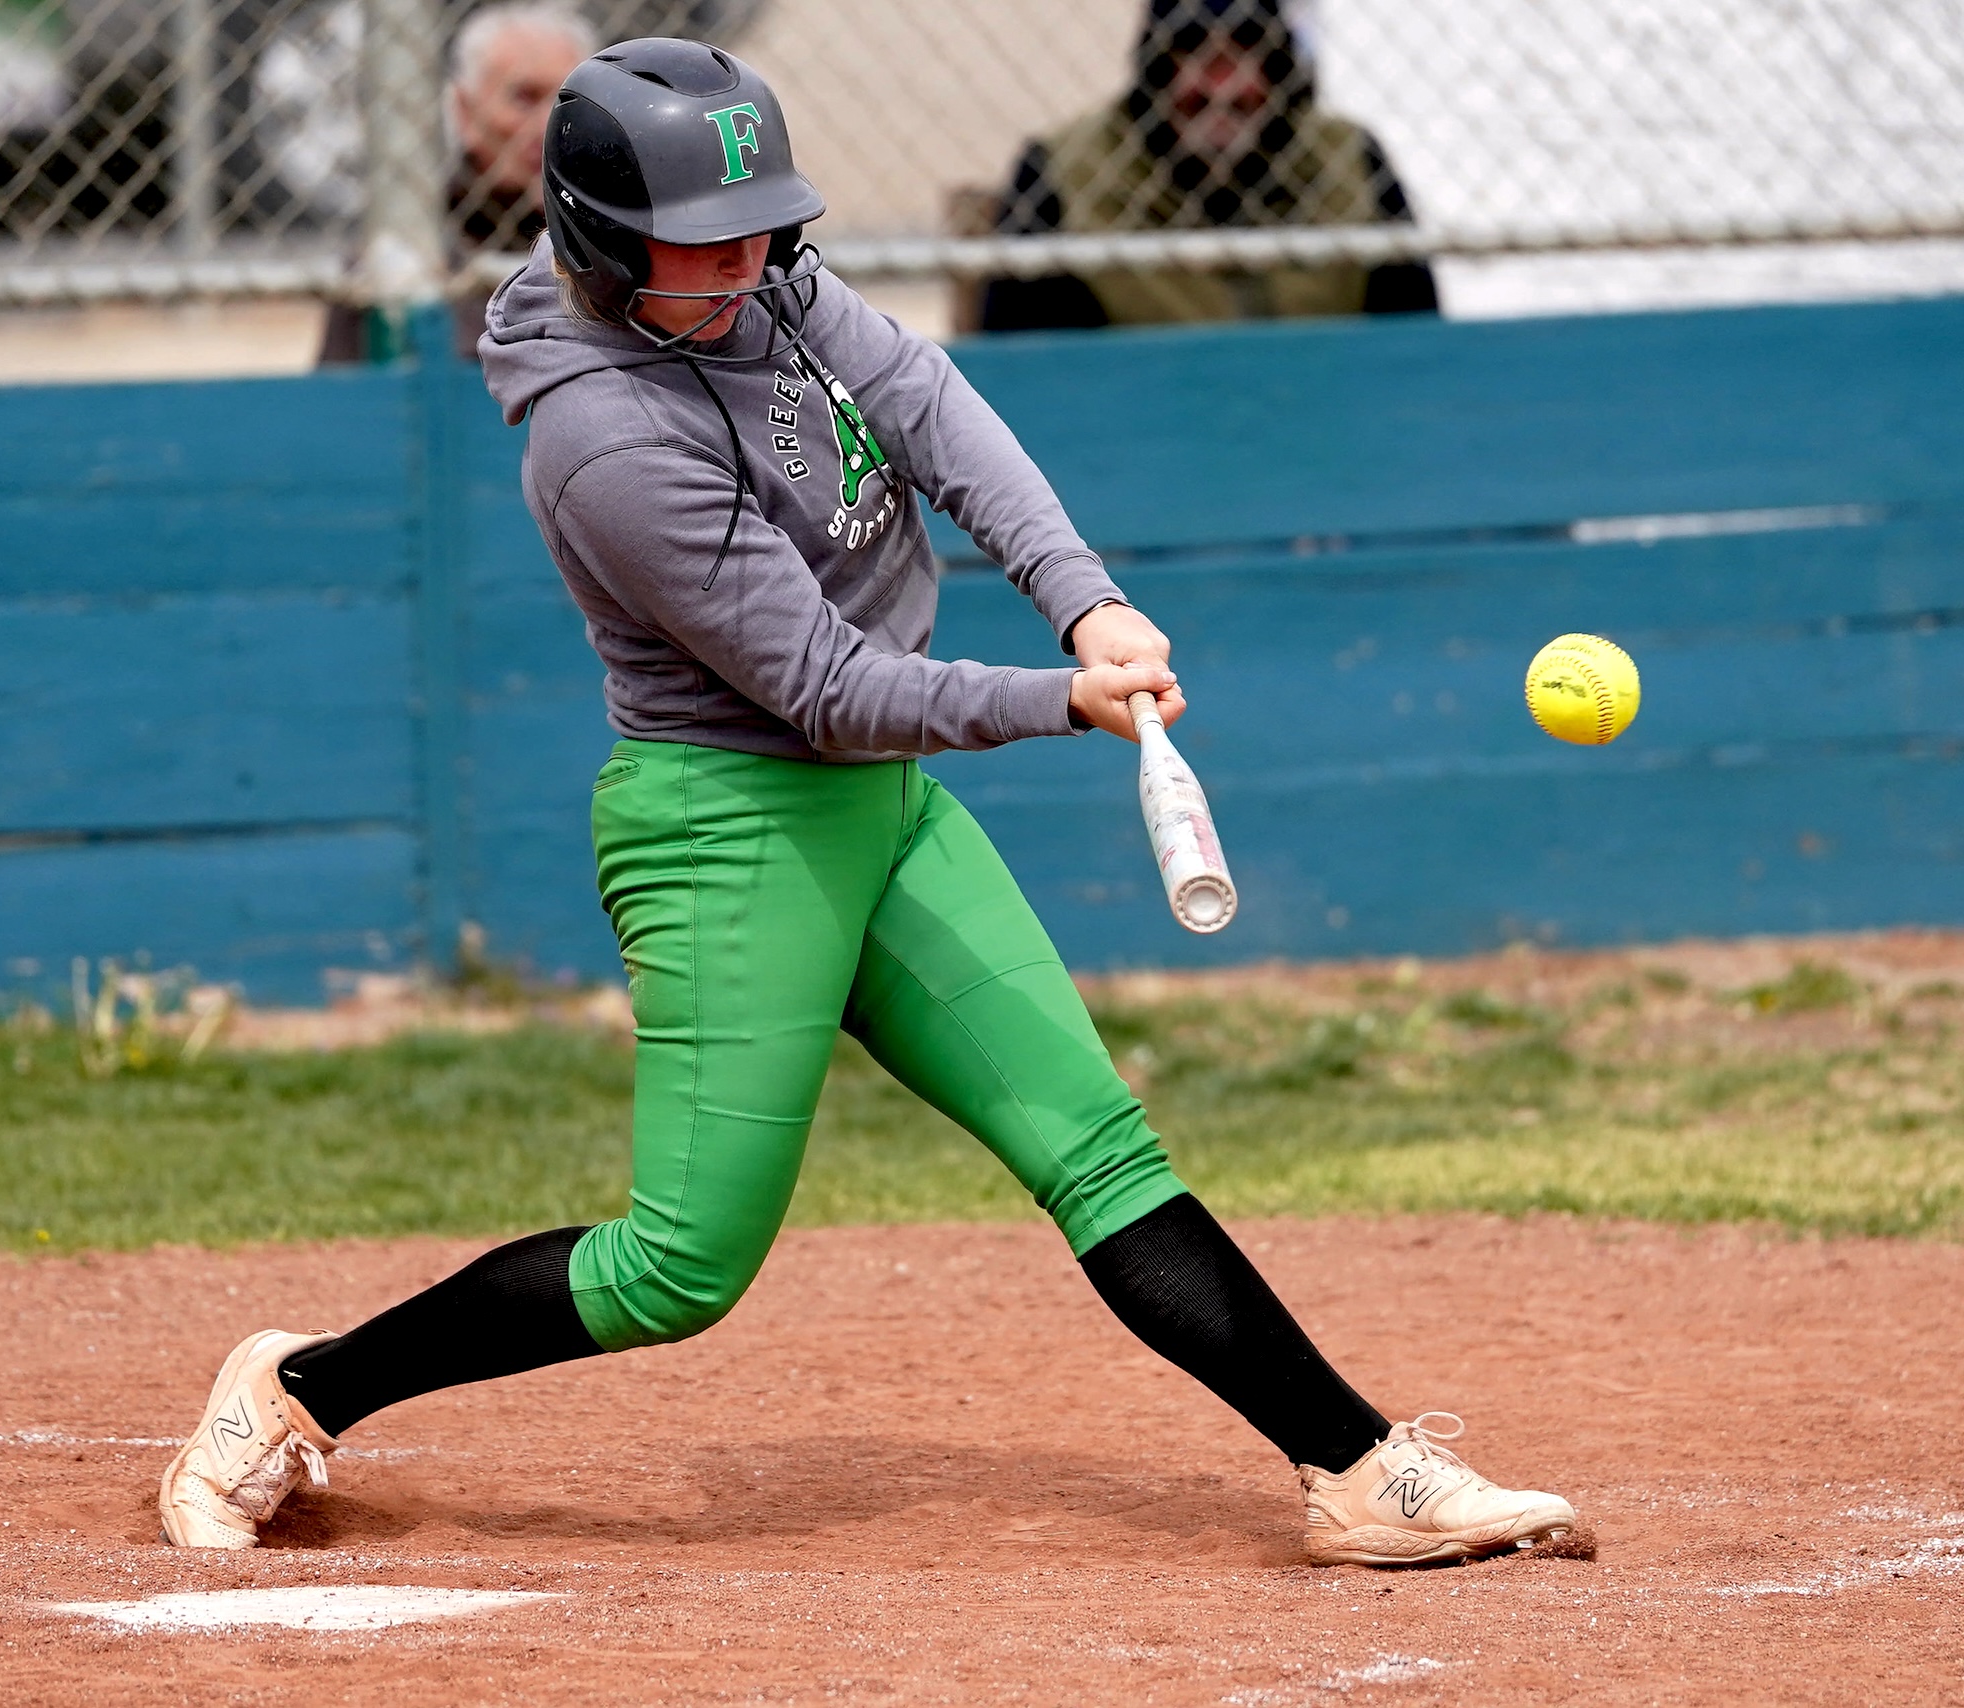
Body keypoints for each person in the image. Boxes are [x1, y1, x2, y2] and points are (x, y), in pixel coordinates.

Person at [158, 37, 1573, 1571]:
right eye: (709, 245)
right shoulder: (602, 437)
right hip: (731, 823)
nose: (754, 263)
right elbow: (824, 685)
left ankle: (1361, 1467)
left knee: (1096, 1148)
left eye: (767, 227)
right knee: (678, 1269)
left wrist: (1081, 601)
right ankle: (295, 1392)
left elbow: (935, 411)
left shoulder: (761, 279)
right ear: (605, 245)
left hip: (874, 809)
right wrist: (1059, 701)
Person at [980, 0, 1438, 332]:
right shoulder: (1064, 172)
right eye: (1193, 52)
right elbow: (1031, 372)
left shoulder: (1349, 159)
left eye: (1246, 53)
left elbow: (1415, 338)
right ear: (1156, 71)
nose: (1223, 88)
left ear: (1279, 72)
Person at [317, 0, 595, 362]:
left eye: (567, 101)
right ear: (465, 110)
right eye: (524, 98)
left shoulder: (618, 228)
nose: (551, 125)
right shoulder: (412, 241)